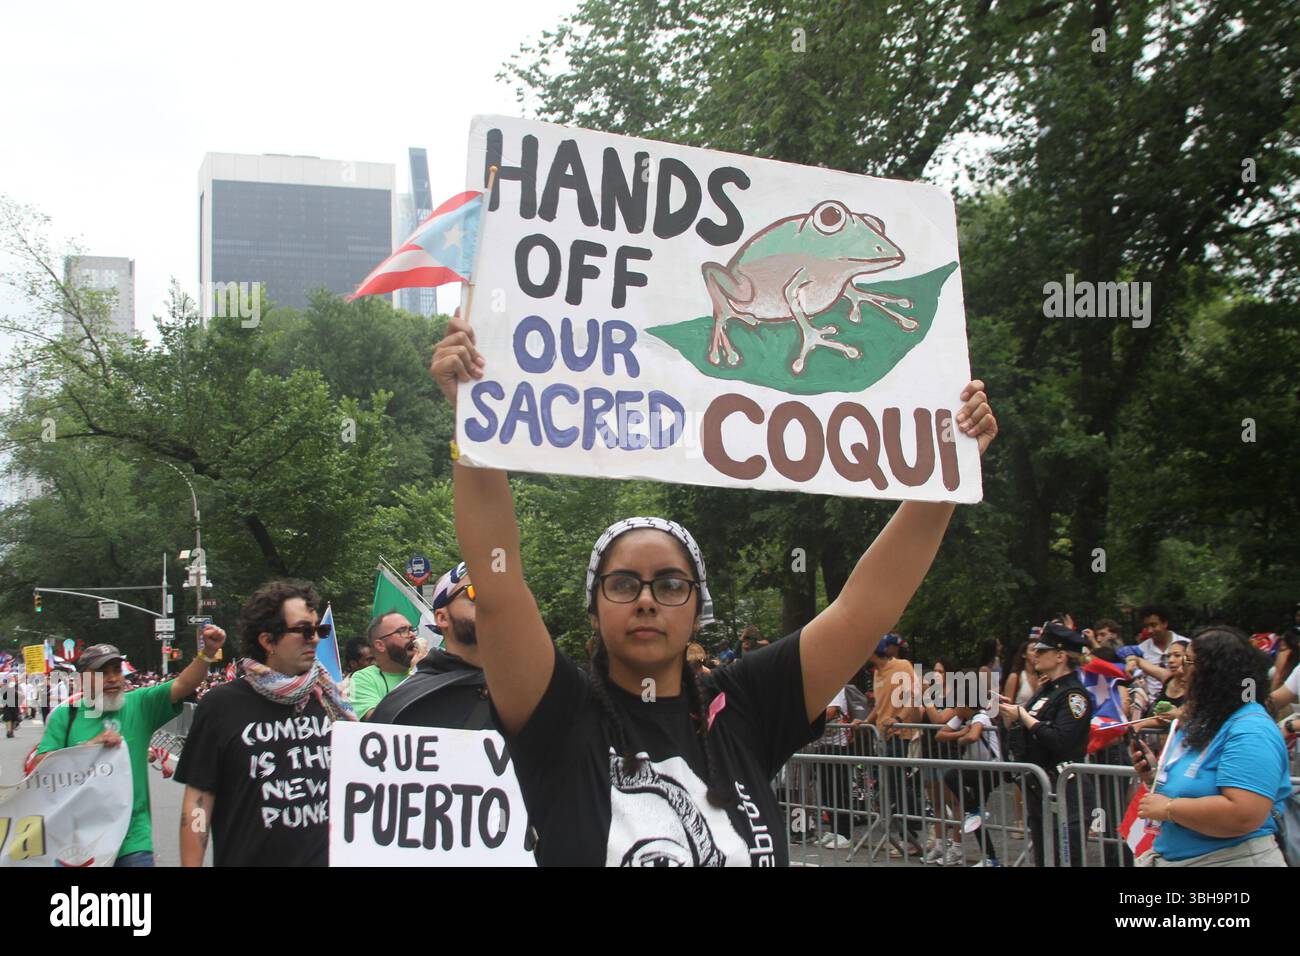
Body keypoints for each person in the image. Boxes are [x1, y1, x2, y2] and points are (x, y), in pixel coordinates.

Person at [430, 314, 997, 866]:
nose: (647, 599)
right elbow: (498, 582)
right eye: (623, 583)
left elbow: (862, 609)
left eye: (670, 584)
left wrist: (945, 475)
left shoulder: (746, 707)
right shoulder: (558, 714)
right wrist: (470, 416)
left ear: (698, 606)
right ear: (595, 608)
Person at [175, 580, 354, 867]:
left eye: (319, 630)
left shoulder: (331, 701)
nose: (315, 639)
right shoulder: (221, 706)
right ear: (268, 641)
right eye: (304, 631)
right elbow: (198, 802)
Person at [33, 637, 223, 867]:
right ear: (82, 678)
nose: (113, 678)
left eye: (116, 670)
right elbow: (40, 769)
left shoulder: (139, 704)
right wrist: (90, 747)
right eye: (102, 672)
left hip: (133, 840)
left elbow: (184, 684)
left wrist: (208, 652)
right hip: (78, 842)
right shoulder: (66, 715)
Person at [1131, 626, 1291, 866]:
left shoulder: (1252, 729)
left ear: (1215, 672)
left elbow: (1243, 815)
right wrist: (1154, 776)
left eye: (1189, 661)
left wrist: (1169, 808)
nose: (1181, 670)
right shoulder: (1207, 721)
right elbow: (1198, 784)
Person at [998, 622, 1093, 866]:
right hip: (1040, 788)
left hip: (1065, 787)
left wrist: (1024, 716)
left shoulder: (1073, 695)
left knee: (1066, 858)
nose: (1035, 655)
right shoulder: (1047, 690)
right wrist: (1011, 717)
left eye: (1042, 651)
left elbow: (1060, 740)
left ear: (1060, 656)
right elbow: (1027, 734)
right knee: (1044, 858)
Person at [370, 561, 494, 729]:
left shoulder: (529, 690)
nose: (493, 604)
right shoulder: (402, 706)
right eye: (476, 594)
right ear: (442, 618)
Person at [936, 679, 1003, 867]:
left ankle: (972, 810)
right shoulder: (962, 718)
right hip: (977, 770)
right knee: (977, 821)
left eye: (956, 703)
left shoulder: (980, 717)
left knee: (951, 775)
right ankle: (991, 858)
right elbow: (940, 735)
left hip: (990, 770)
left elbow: (973, 736)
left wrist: (961, 739)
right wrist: (960, 733)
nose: (953, 707)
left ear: (966, 704)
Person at [351, 610, 417, 719]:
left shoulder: (430, 671)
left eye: (411, 629)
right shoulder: (364, 678)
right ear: (380, 645)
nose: (412, 635)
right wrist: (415, 675)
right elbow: (377, 721)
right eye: (402, 630)